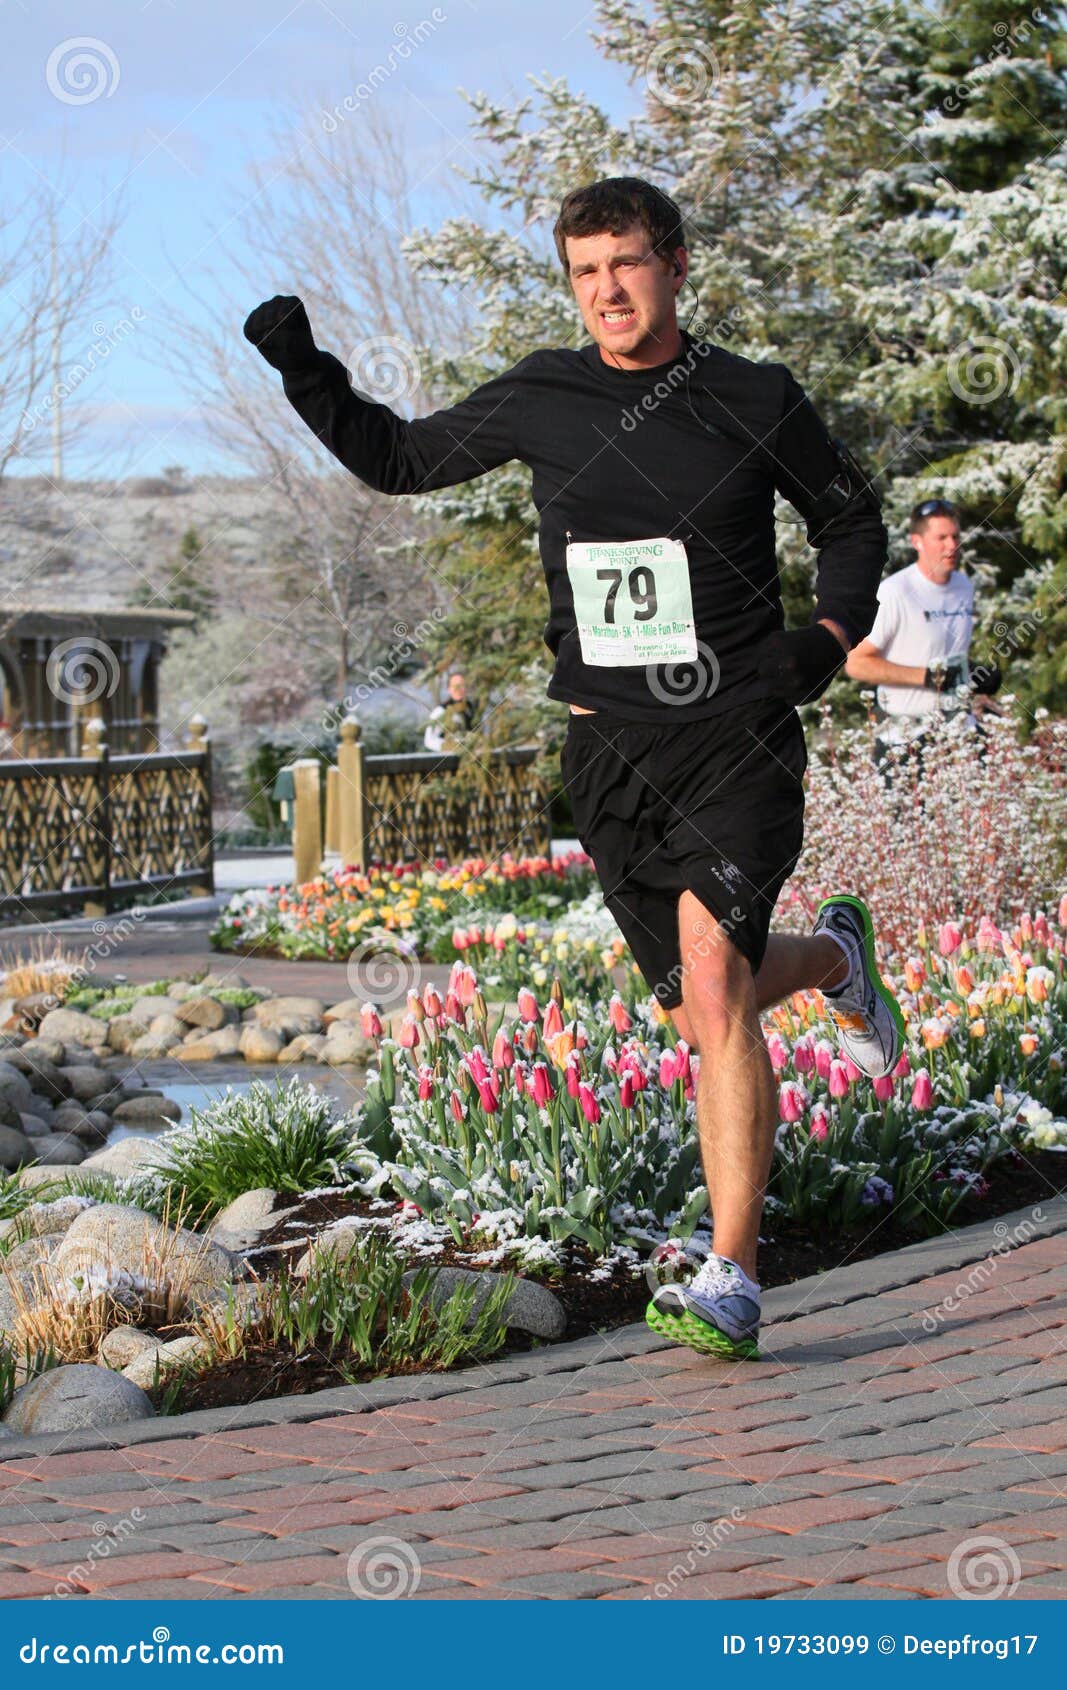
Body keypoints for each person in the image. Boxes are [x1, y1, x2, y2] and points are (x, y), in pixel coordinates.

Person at [244, 175, 904, 1362]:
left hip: (736, 733)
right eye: (585, 271)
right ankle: (832, 961)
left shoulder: (751, 397)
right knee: (705, 1013)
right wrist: (307, 370)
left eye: (627, 264)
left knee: (710, 990)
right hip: (607, 747)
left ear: (676, 265)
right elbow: (398, 459)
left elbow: (850, 515)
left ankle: (731, 1276)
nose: (607, 290)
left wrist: (821, 638)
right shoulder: (541, 395)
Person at [845, 497, 1004, 773]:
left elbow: (941, 651)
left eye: (955, 536)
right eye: (941, 537)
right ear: (917, 541)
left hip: (958, 732)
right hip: (905, 737)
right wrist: (929, 677)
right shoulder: (895, 592)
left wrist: (973, 673)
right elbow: (857, 663)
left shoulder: (963, 586)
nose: (952, 546)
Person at [423, 669, 475, 751]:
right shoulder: (440, 711)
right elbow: (429, 741)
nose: (458, 689)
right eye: (455, 686)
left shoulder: (471, 708)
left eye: (461, 685)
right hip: (448, 759)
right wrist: (452, 747)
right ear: (449, 688)